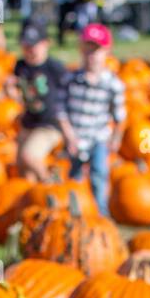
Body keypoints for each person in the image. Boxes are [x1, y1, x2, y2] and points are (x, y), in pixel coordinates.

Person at [60, 23, 126, 217]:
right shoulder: (70, 80)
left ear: (107, 52)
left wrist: (116, 138)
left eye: (96, 51)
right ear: (80, 50)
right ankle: (75, 213)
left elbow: (119, 115)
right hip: (75, 136)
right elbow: (61, 110)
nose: (91, 56)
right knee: (74, 178)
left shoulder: (113, 84)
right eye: (87, 50)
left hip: (98, 138)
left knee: (99, 174)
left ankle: (100, 214)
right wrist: (68, 136)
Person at [9, 19, 69, 181]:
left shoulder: (55, 68)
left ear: (46, 44)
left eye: (34, 46)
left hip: (50, 124)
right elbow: (16, 91)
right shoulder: (20, 66)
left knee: (30, 156)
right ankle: (32, 193)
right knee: (22, 166)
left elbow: (69, 92)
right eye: (25, 46)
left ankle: (50, 184)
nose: (30, 51)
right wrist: (10, 90)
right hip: (29, 122)